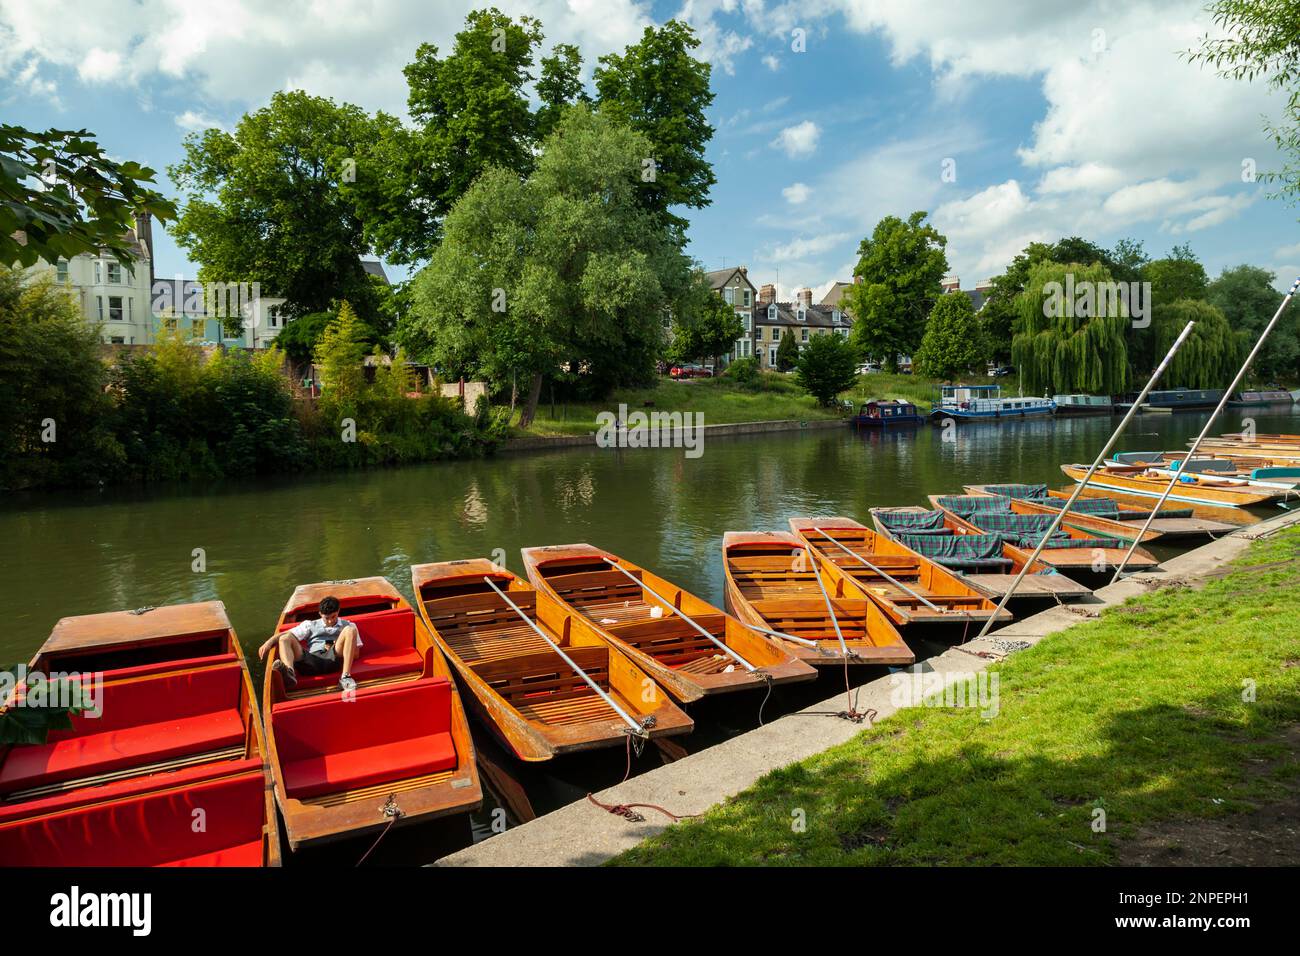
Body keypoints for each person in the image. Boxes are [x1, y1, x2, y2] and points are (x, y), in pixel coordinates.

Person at [258, 595, 359, 693]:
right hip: (311, 661)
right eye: (326, 618)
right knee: (285, 638)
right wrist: (269, 642)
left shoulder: (348, 625)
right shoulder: (310, 624)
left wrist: (335, 644)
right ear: (320, 614)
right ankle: (289, 673)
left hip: (334, 658)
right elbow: (286, 634)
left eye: (333, 616)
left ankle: (345, 677)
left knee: (350, 630)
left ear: (338, 611)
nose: (330, 621)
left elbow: (356, 654)